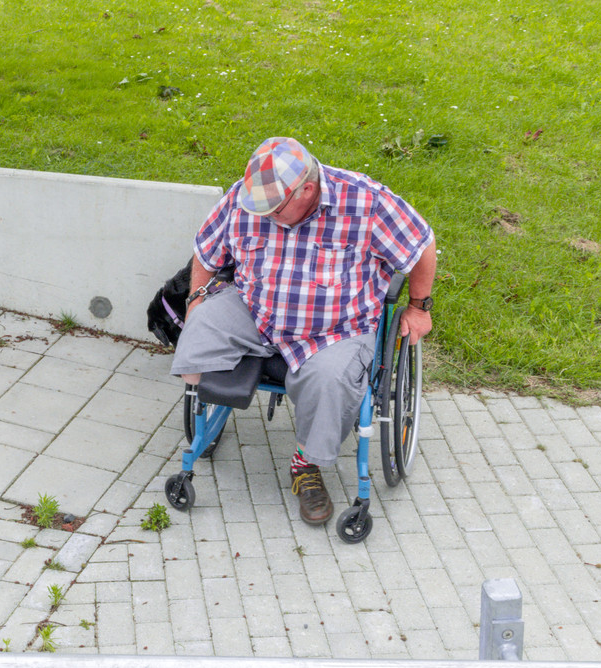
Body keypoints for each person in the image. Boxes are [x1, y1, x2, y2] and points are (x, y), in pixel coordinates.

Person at [171, 136, 436, 526]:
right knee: (197, 331)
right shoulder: (245, 197)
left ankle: (306, 464)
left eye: (274, 210)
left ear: (307, 190)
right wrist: (196, 297)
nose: (265, 215)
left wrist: (418, 307)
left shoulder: (366, 201)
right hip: (254, 310)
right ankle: (210, 413)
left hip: (335, 330)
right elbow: (207, 250)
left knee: (331, 382)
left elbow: (421, 244)